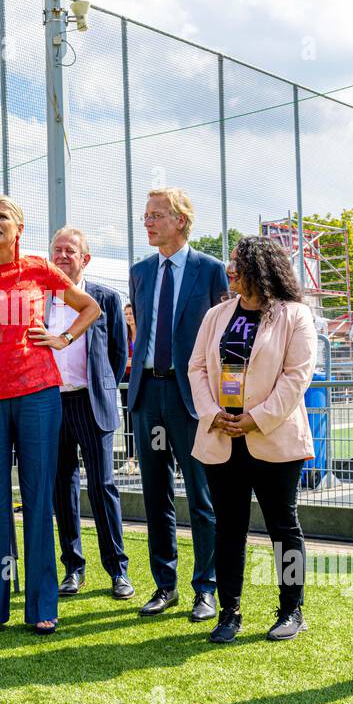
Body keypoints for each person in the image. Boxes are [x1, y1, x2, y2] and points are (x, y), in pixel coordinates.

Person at [0, 196, 101, 635]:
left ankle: (42, 605)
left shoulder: (38, 269)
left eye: (2, 217)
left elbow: (90, 308)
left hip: (39, 394)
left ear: (19, 228)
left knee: (38, 498)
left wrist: (62, 338)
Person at [187, 237, 317, 644]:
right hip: (222, 437)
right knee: (229, 529)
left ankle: (291, 609)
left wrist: (255, 420)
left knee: (283, 527)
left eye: (238, 264)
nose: (230, 270)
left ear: (261, 269)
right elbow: (196, 368)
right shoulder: (217, 315)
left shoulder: (295, 315)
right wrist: (212, 413)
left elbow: (296, 377)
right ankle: (229, 612)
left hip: (273, 439)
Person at [128, 187, 229, 622]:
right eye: (146, 216)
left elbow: (226, 335)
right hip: (148, 395)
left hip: (193, 398)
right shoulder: (139, 272)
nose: (147, 222)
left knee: (202, 496)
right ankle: (164, 585)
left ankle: (206, 588)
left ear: (180, 221)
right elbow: (141, 332)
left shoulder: (211, 270)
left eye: (156, 215)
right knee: (155, 494)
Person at [47, 226, 134, 600]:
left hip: (91, 403)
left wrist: (100, 388)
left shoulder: (106, 298)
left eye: (70, 250)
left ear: (85, 258)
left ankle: (118, 570)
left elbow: (117, 354)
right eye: (57, 250)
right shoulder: (40, 298)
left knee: (102, 486)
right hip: (51, 404)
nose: (62, 256)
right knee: (61, 488)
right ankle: (73, 568)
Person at [120, 302, 137, 474]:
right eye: (126, 314)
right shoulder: (123, 335)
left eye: (131, 313)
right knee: (128, 419)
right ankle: (130, 460)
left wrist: (132, 361)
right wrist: (134, 361)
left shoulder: (144, 333)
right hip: (126, 378)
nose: (128, 317)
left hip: (141, 379)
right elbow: (121, 359)